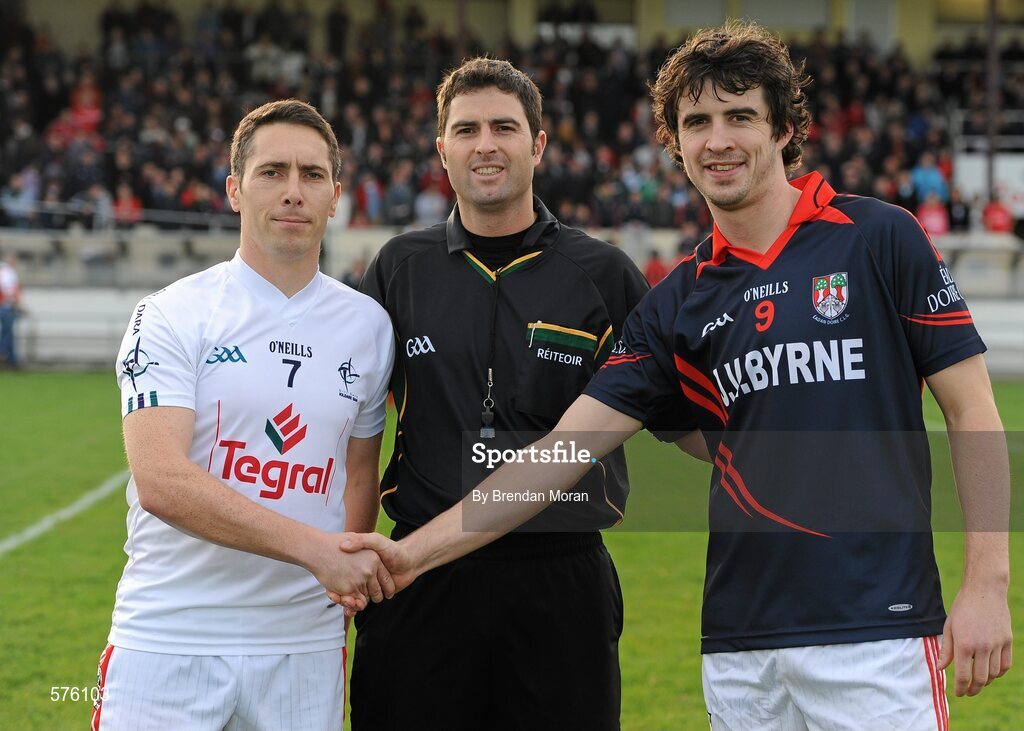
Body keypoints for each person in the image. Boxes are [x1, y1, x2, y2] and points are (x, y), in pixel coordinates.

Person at [342, 22, 1012, 730]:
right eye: (696, 122)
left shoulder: (880, 238)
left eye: (740, 117)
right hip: (740, 647)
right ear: (676, 144)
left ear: (784, 128)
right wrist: (410, 555)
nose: (717, 140)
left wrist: (988, 583)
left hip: (876, 630)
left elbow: (973, 411)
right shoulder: (677, 302)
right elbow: (561, 453)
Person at [350, 57, 650, 730]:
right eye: (467, 129)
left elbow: (687, 418)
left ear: (537, 145)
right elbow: (346, 423)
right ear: (442, 150)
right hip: (420, 574)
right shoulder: (399, 267)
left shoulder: (604, 274)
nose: (486, 143)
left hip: (560, 582)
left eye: (504, 127)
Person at [93, 100, 396, 731]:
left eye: (312, 175)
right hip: (170, 638)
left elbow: (358, 474)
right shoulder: (173, 312)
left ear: (336, 196)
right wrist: (319, 552)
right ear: (234, 189)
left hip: (303, 649)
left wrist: (334, 584)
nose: (293, 192)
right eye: (272, 172)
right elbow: (162, 482)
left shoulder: (369, 326)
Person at [0, 252, 21, 369]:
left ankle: (13, 362)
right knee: (7, 335)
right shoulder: (8, 272)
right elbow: (8, 291)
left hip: (5, 306)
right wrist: (17, 303)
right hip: (6, 307)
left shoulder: (3, 271)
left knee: (9, 335)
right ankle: (6, 356)